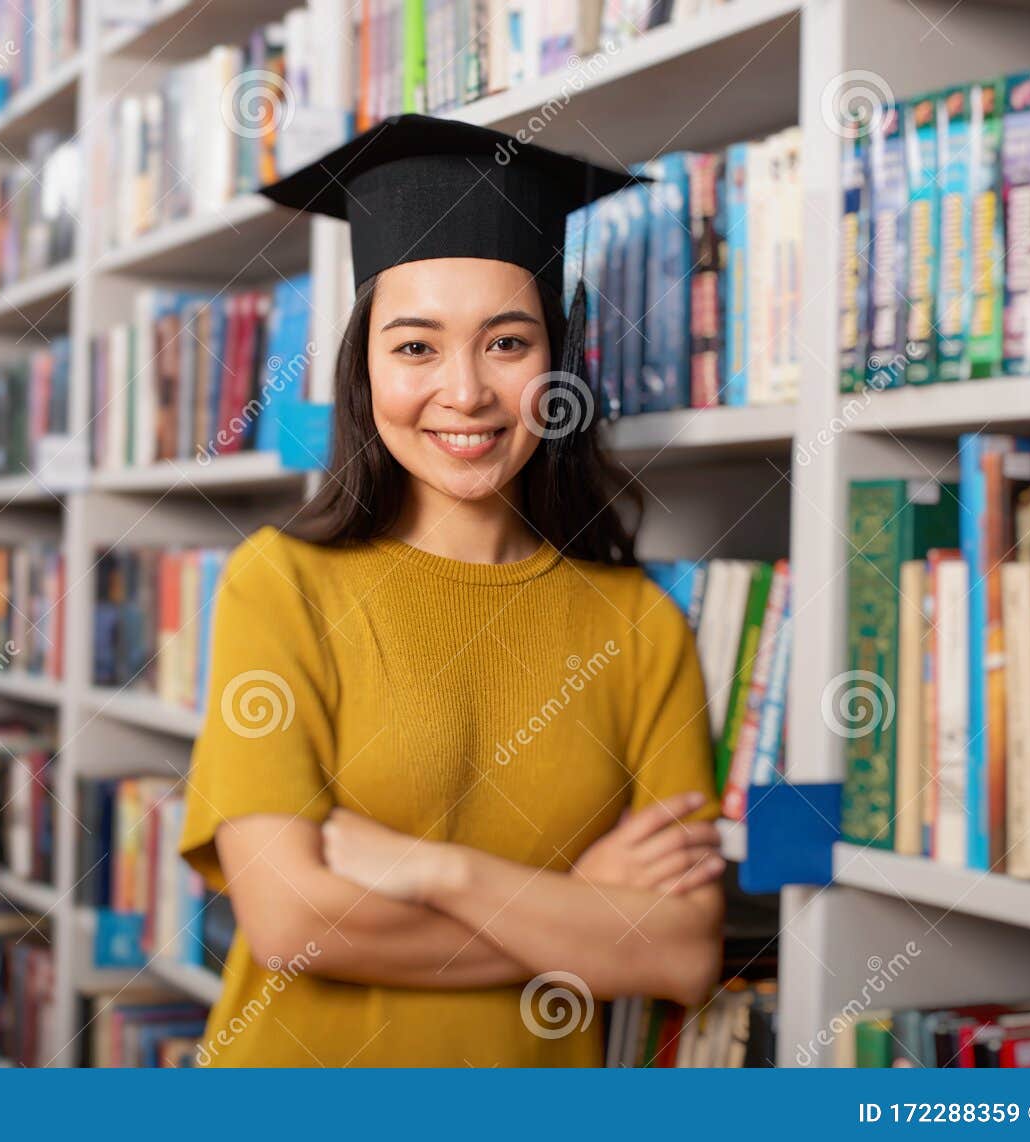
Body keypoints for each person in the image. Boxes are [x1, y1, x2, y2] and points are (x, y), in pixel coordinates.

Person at [179, 114, 724, 1067]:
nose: (466, 392)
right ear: (364, 367)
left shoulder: (639, 626)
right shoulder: (282, 584)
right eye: (417, 347)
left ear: (555, 362)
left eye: (506, 343)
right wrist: (582, 917)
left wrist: (432, 870)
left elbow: (681, 952)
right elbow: (291, 924)